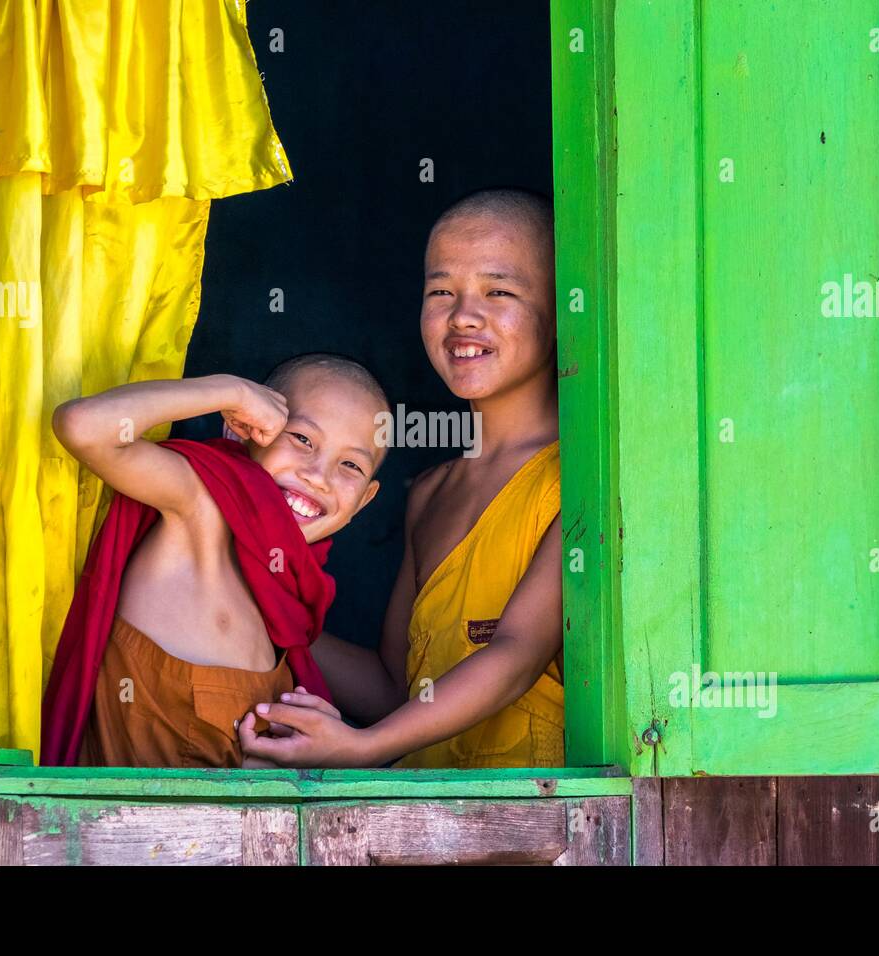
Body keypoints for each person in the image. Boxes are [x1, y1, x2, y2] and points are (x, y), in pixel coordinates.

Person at [240, 188, 565, 768]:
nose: (463, 314)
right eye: (441, 291)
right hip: (420, 816)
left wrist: (363, 748)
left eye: (500, 291)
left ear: (565, 305)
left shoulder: (581, 477)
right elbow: (397, 687)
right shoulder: (429, 494)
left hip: (538, 821)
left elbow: (516, 654)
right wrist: (261, 609)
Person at [39, 354, 387, 767]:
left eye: (350, 464)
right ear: (244, 429)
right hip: (125, 830)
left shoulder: (289, 596)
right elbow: (82, 427)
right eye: (302, 439)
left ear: (364, 500)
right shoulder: (200, 507)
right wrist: (230, 390)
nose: (318, 475)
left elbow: (391, 702)